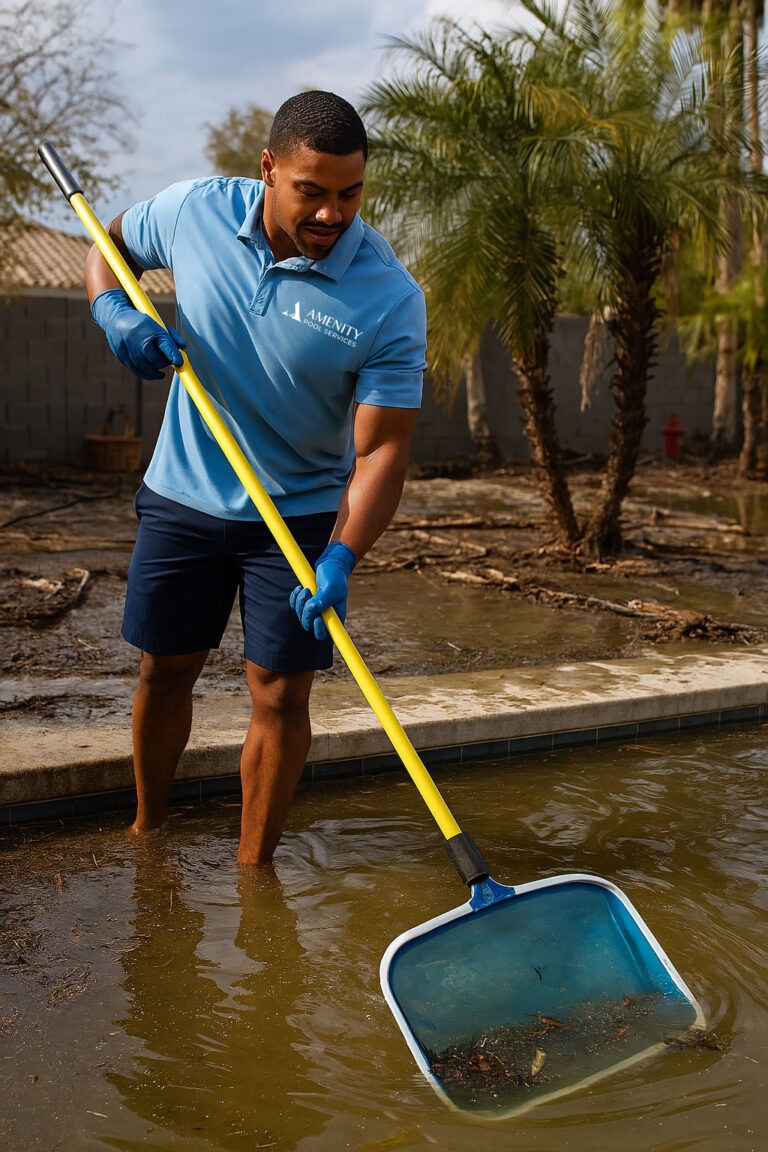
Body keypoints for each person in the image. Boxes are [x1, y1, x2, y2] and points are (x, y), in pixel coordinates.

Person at [84, 90, 426, 865]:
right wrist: (115, 313)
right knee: (164, 670)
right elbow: (108, 243)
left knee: (280, 694)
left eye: (351, 194)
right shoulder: (195, 212)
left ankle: (253, 875)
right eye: (312, 191)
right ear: (269, 169)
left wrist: (342, 557)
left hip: (299, 518)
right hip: (183, 497)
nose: (333, 215)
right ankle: (148, 834)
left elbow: (381, 452)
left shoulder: (389, 296)